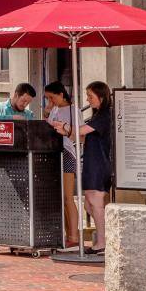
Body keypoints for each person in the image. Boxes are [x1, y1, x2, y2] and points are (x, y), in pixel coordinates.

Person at [56, 81, 113, 253]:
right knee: (89, 205)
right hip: (91, 162)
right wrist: (67, 131)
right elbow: (83, 137)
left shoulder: (105, 115)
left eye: (91, 96)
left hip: (99, 163)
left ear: (101, 97)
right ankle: (103, 238)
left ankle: (102, 242)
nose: (88, 100)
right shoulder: (97, 115)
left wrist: (66, 127)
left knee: (95, 203)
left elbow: (82, 131)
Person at [43, 81, 80, 248]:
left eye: (52, 97)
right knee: (61, 197)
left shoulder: (74, 110)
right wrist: (47, 111)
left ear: (61, 94)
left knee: (68, 197)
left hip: (67, 154)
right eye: (48, 98)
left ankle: (74, 235)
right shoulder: (55, 109)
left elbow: (78, 134)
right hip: (55, 153)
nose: (50, 101)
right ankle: (67, 233)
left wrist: (65, 129)